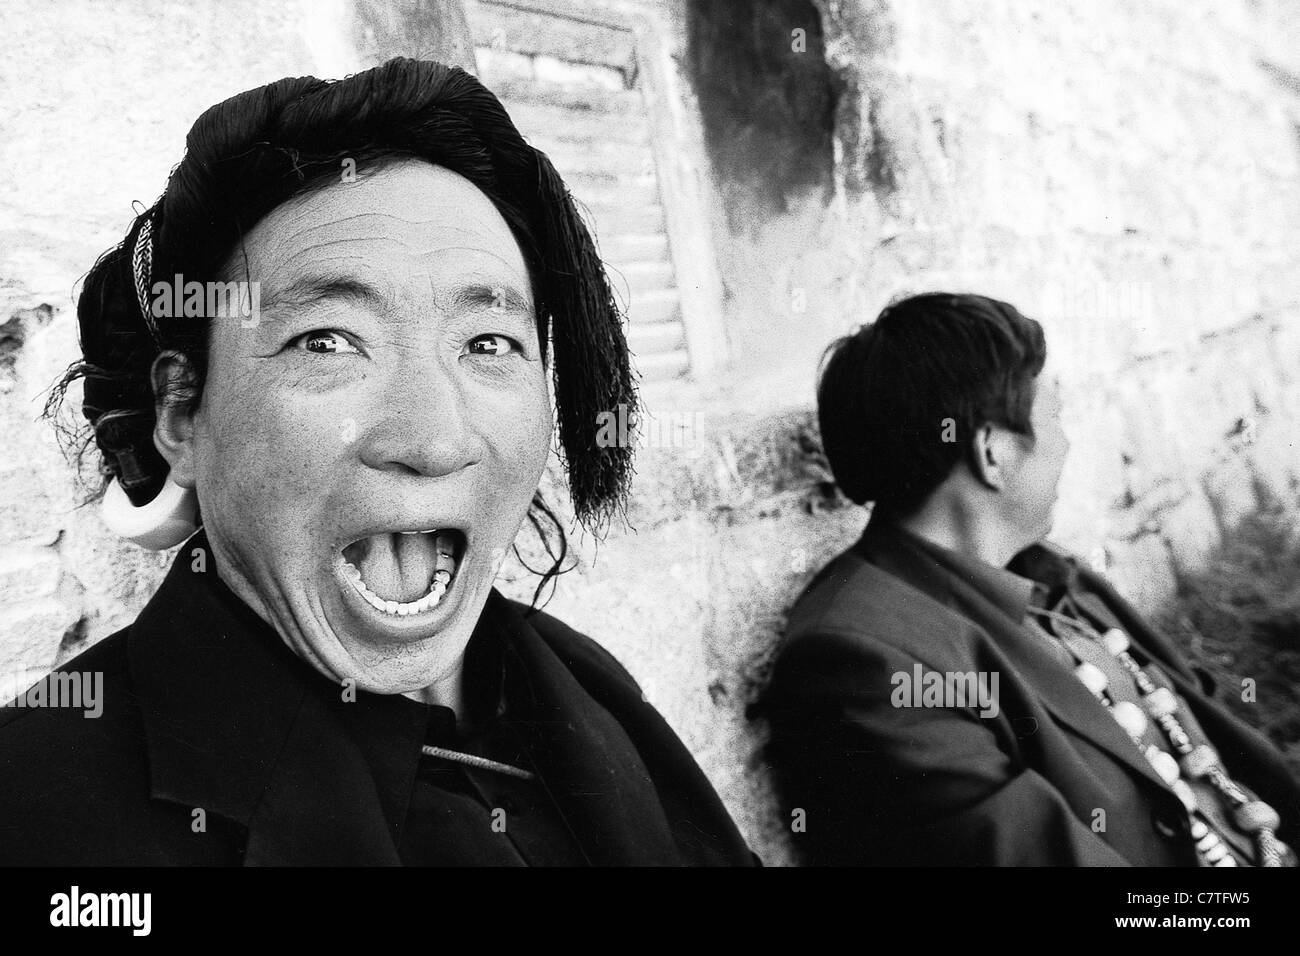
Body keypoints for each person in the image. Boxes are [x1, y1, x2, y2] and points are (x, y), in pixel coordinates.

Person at [0, 58, 754, 867]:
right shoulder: (37, 810)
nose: (434, 441)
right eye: (328, 342)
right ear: (183, 414)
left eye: (489, 344)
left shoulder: (583, 683)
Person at [753, 292, 1300, 866]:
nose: (1066, 442)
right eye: (1055, 416)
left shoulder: (1045, 571)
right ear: (993, 453)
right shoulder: (868, 660)